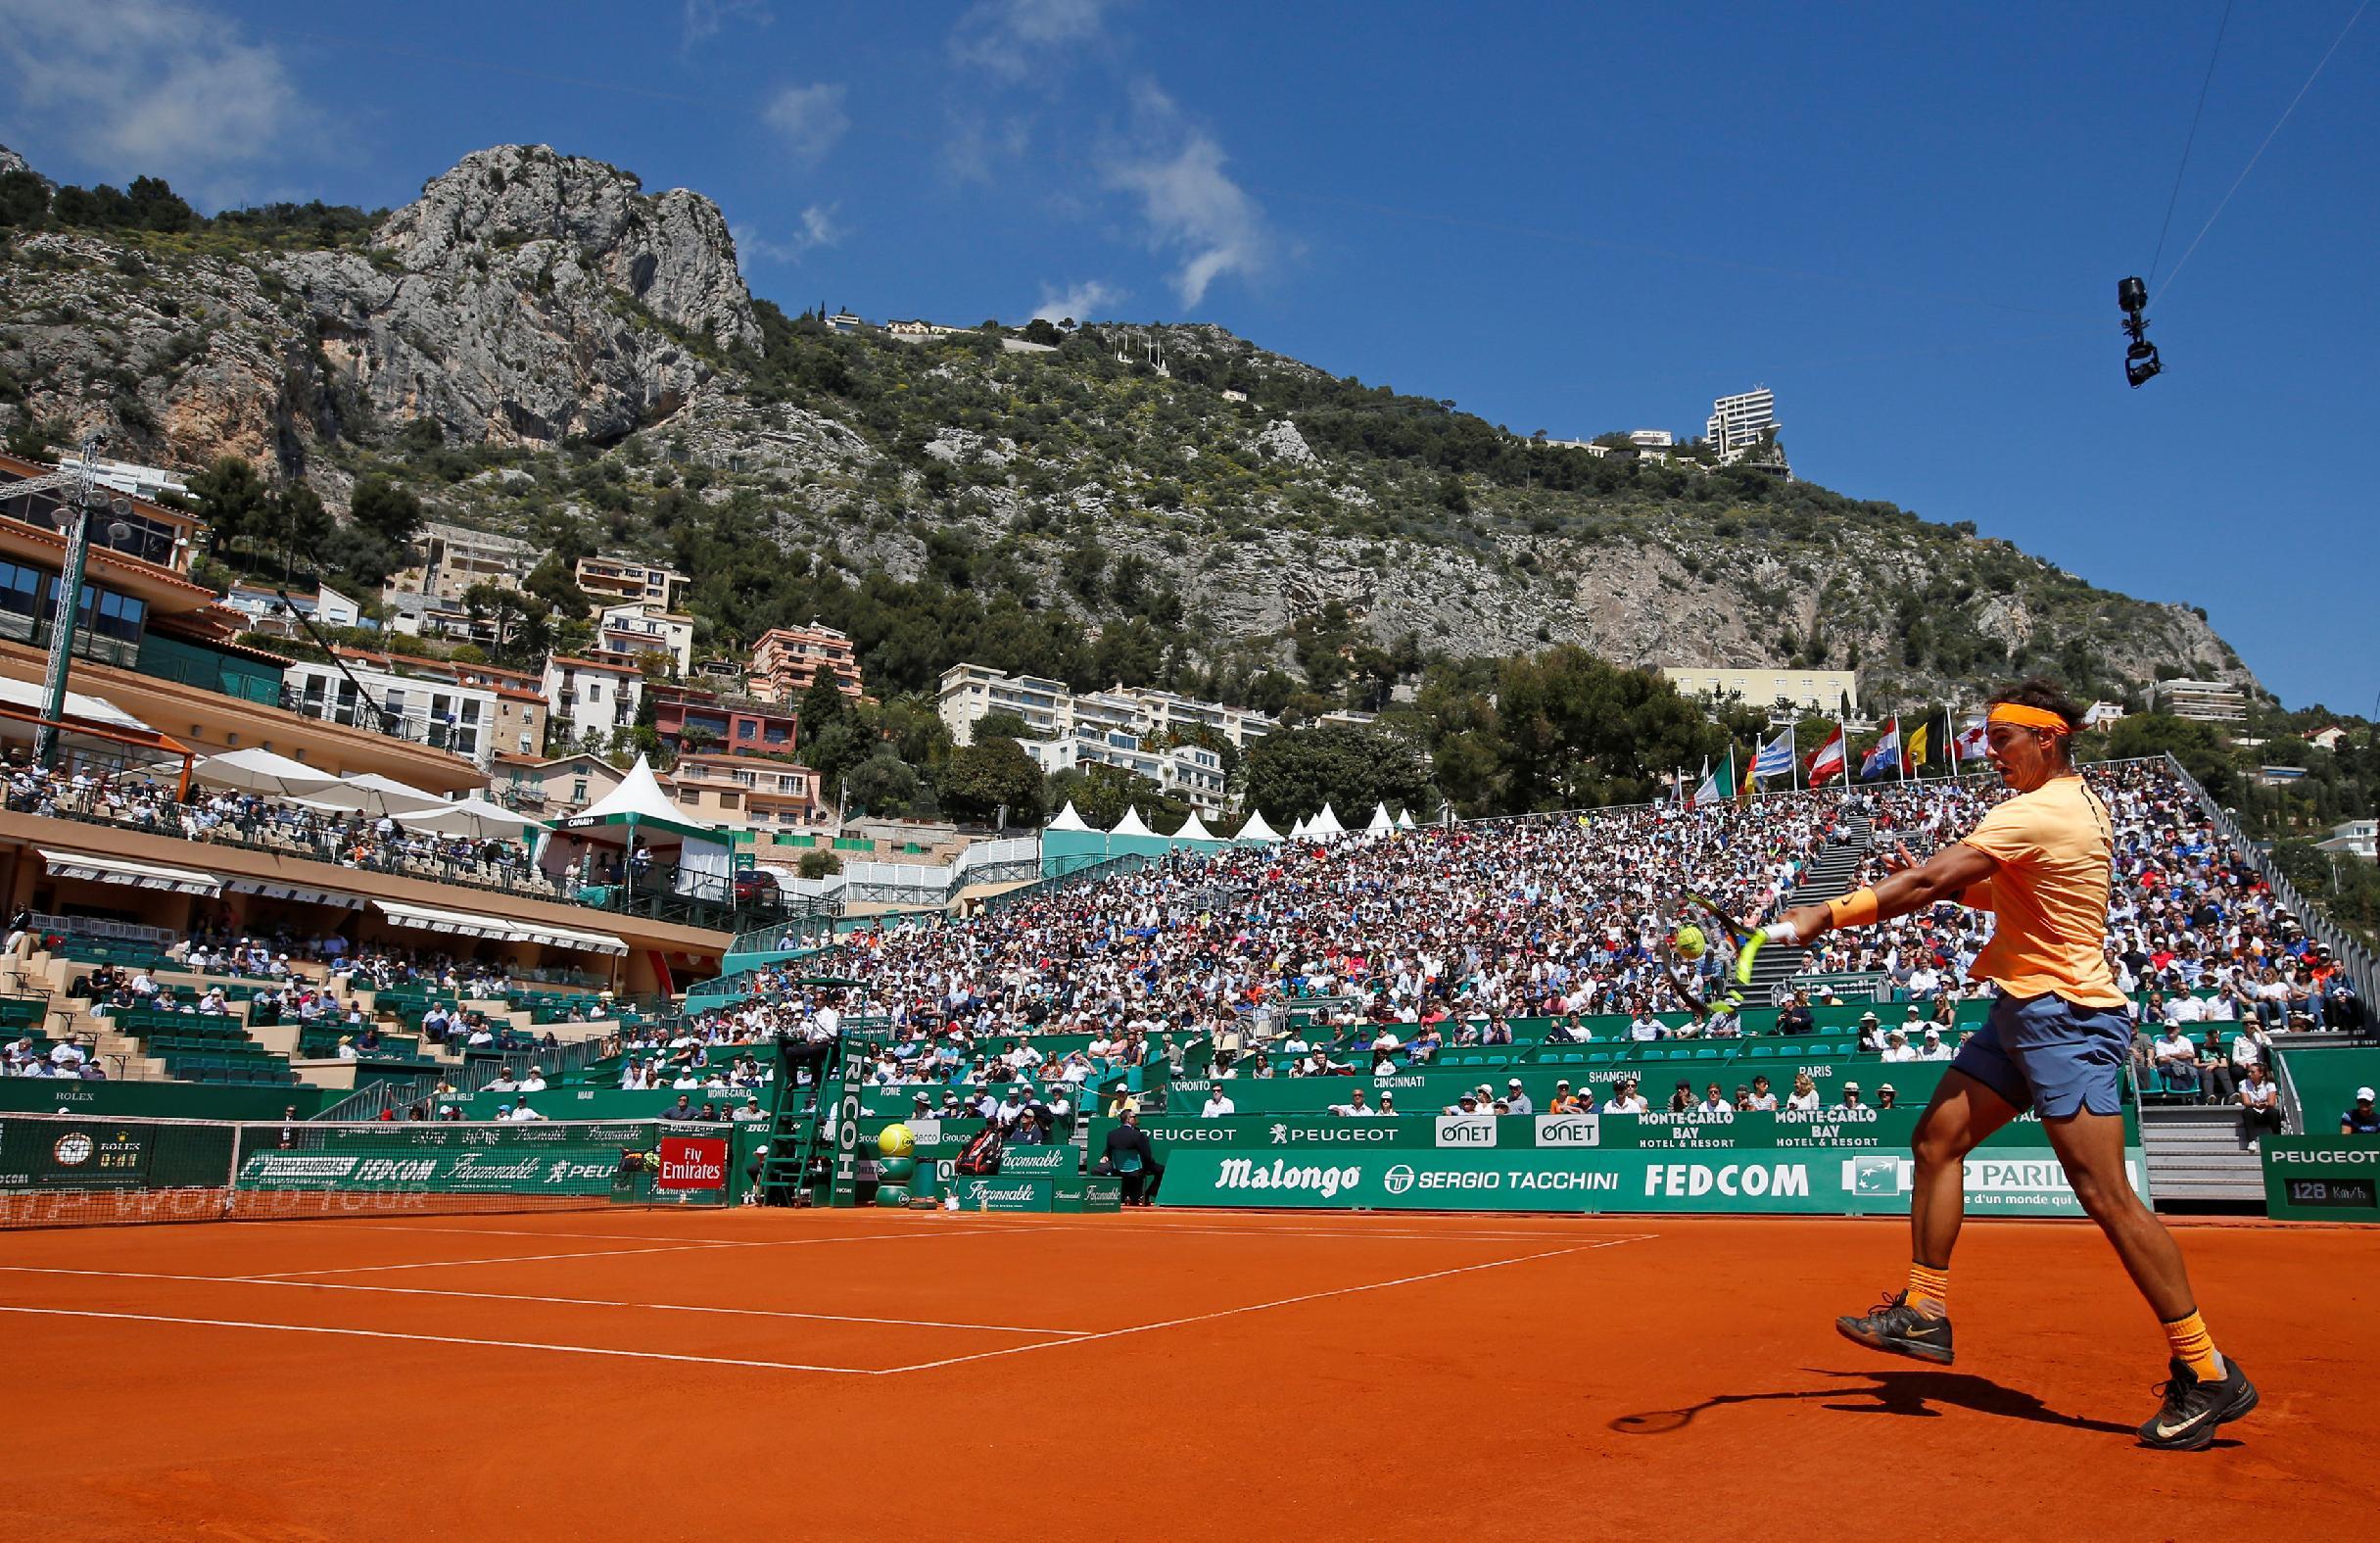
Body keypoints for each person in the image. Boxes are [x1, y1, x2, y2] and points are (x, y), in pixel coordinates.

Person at [1769, 679, 2254, 1449]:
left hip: (2065, 1017)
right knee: (1935, 1141)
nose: (1990, 755)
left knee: (2108, 1197)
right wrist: (1953, 891)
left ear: (2047, 739)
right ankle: (1925, 1311)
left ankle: (2209, 1367)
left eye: (2002, 741)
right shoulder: (2081, 803)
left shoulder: (2038, 809)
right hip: (2021, 1012)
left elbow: (1930, 878)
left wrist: (1828, 912)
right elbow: (2006, 893)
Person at [1102, 1108, 1161, 1206]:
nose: (1136, 1119)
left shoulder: (1111, 1135)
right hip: (1136, 1170)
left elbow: (1108, 1153)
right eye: (1134, 1117)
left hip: (1118, 1169)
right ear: (1128, 1120)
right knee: (1161, 1170)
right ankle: (1147, 1195)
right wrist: (1149, 1165)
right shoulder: (1138, 1135)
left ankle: (1128, 1195)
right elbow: (1147, 1156)